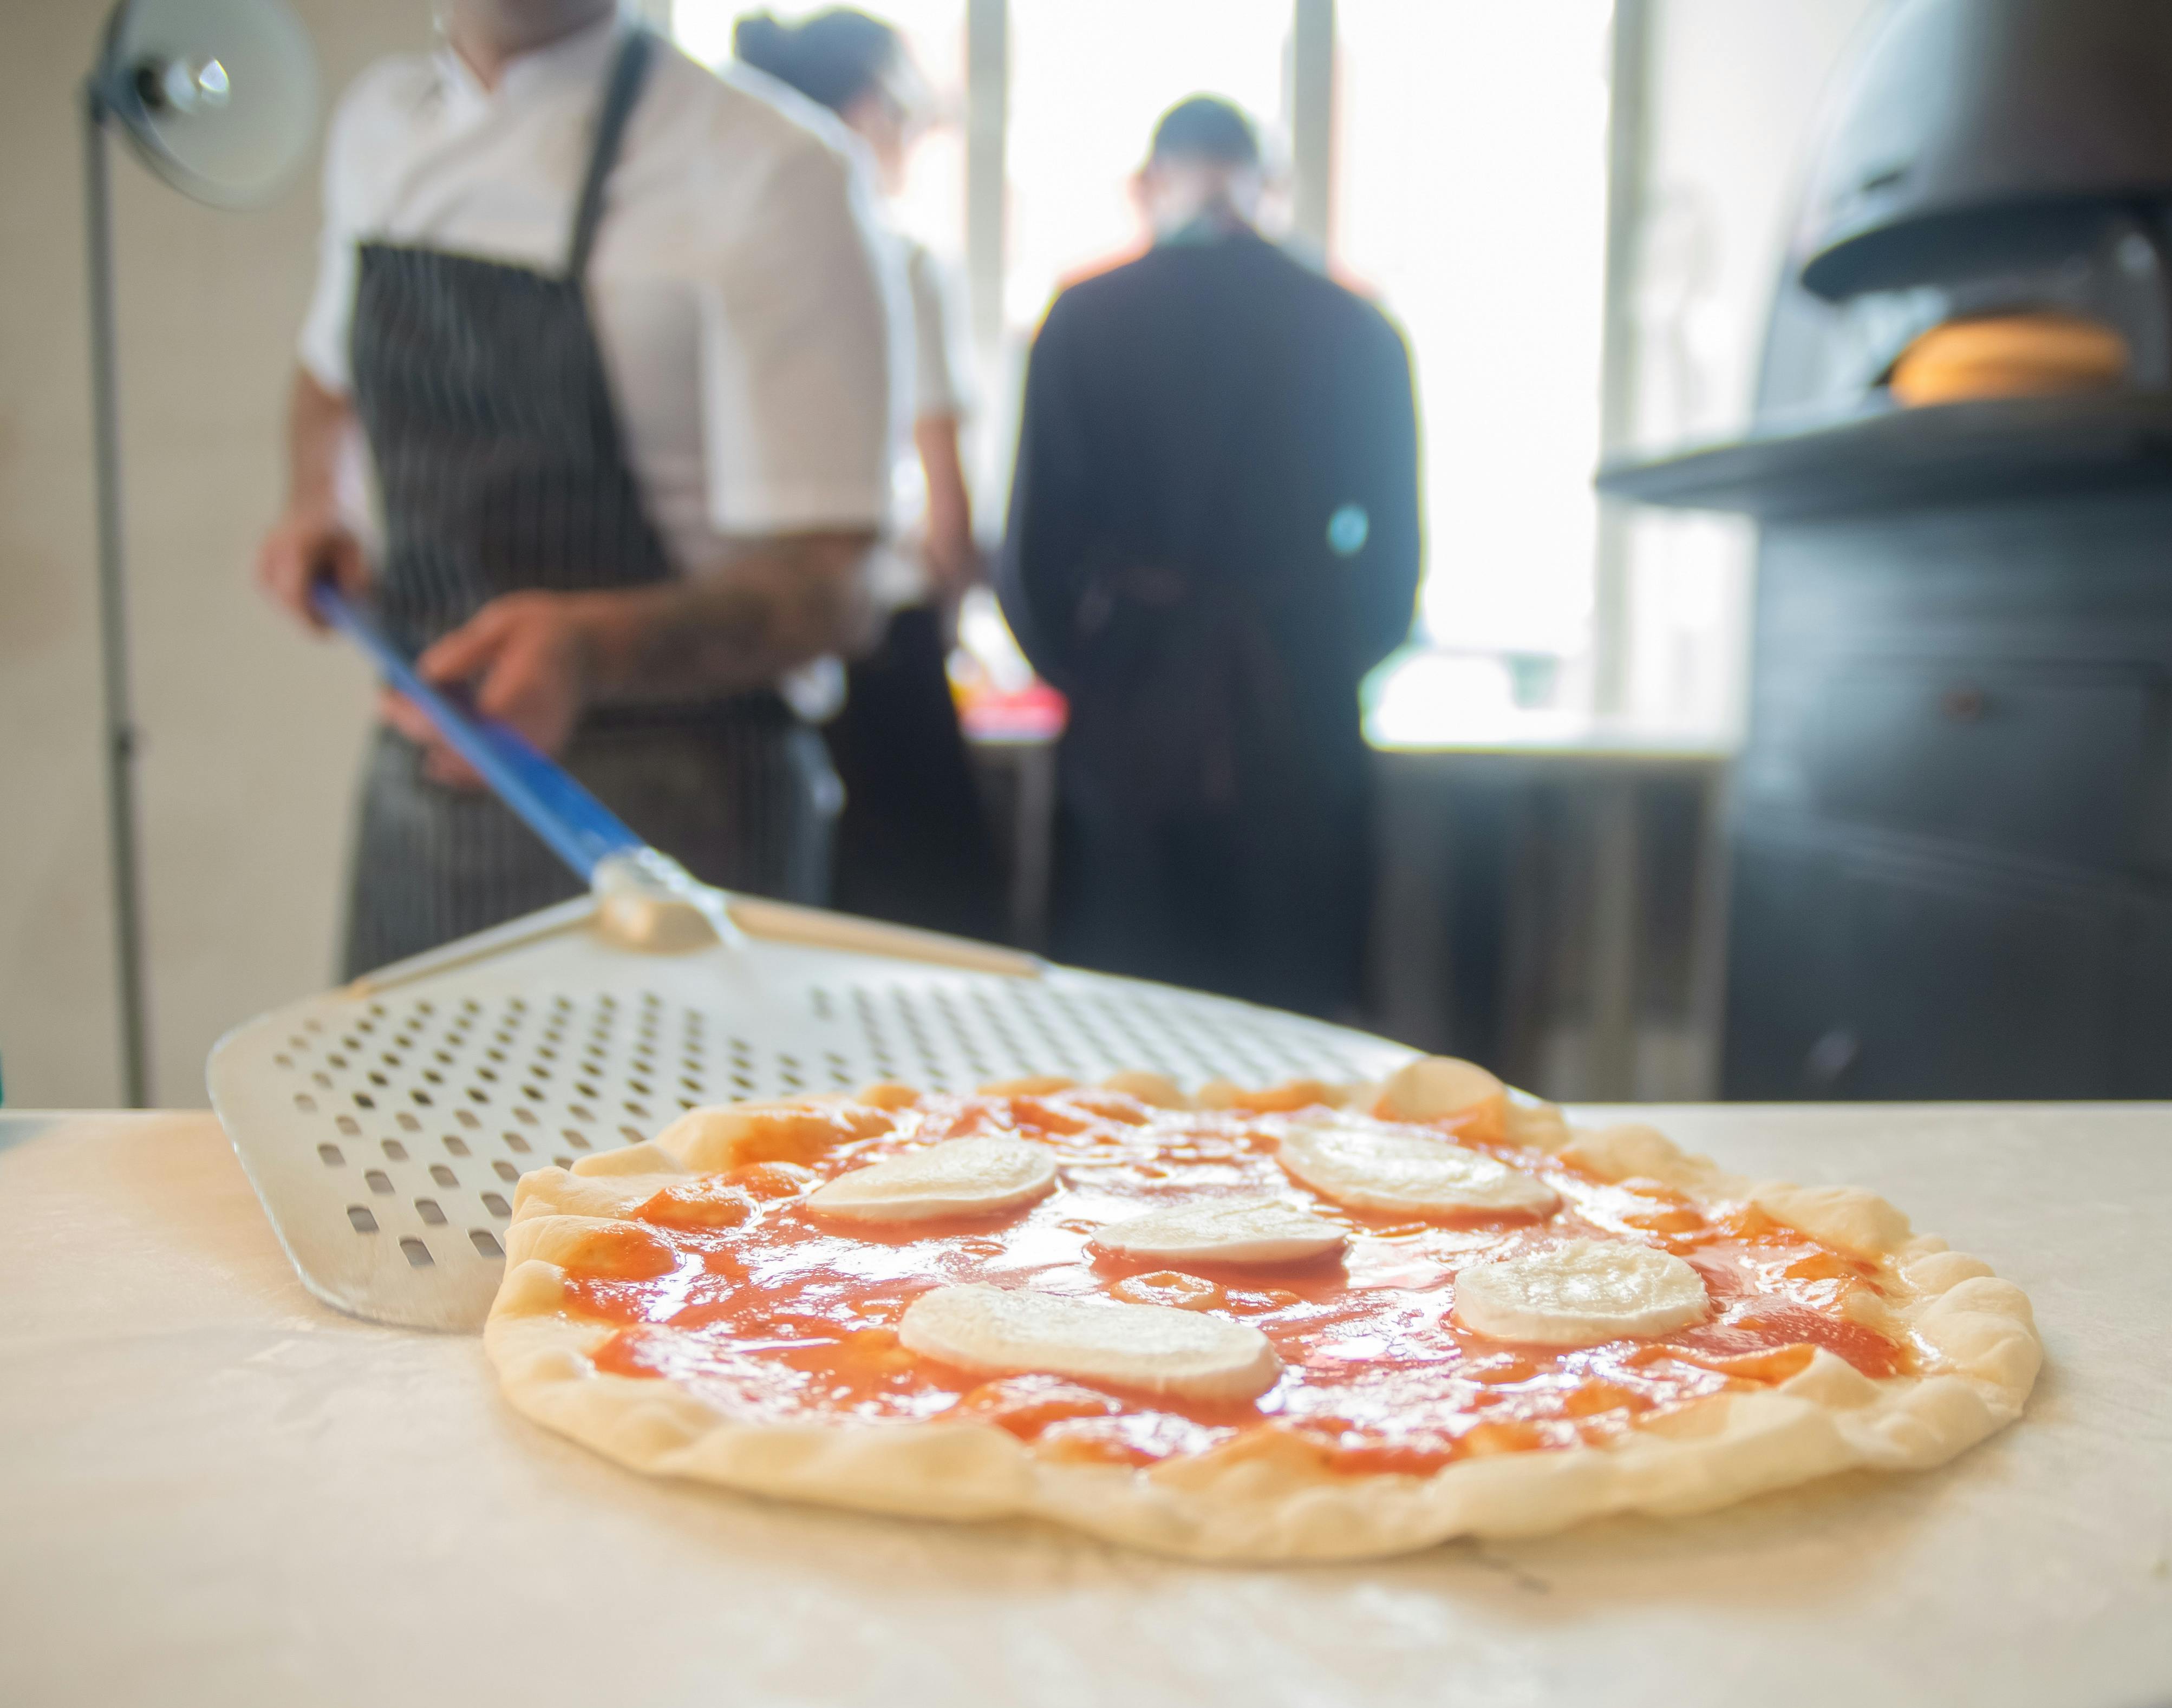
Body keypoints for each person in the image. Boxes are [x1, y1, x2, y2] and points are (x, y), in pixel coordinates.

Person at [254, 0, 899, 976]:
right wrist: (319, 502)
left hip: (679, 820)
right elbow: (324, 374)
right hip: (422, 796)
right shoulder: (377, 126)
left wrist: (593, 646)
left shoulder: (770, 166)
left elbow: (835, 587)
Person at [1000, 96, 1420, 1018]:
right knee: (1299, 1043)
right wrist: (1312, 658)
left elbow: (1029, 566)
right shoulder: (1354, 326)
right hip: (1299, 731)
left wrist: (1100, 675)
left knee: (1117, 1041)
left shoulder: (1079, 319)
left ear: (1148, 185)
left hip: (1128, 732)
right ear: (1270, 186)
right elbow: (1396, 579)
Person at [732, 8, 1004, 940]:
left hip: (749, 651)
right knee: (928, 932)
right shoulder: (901, 261)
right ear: (864, 114)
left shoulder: (734, 250)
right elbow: (946, 514)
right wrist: (962, 602)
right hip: (882, 647)